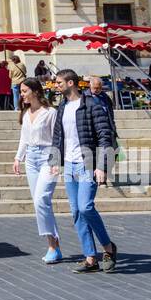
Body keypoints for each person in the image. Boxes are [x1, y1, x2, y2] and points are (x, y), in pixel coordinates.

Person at [50, 69, 118, 273]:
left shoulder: (91, 105)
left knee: (86, 206)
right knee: (76, 211)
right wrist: (55, 160)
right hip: (70, 164)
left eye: (59, 82)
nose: (56, 86)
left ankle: (107, 247)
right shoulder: (62, 107)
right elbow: (57, 136)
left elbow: (105, 135)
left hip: (88, 162)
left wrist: (102, 166)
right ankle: (90, 257)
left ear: (71, 83)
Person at [13, 77, 61, 263]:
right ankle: (54, 243)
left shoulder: (50, 112)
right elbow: (24, 138)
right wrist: (18, 157)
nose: (22, 94)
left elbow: (56, 138)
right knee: (39, 203)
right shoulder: (26, 114)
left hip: (47, 156)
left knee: (41, 200)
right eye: (21, 91)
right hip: (31, 159)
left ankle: (53, 246)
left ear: (35, 91)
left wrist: (55, 161)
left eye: (24, 91)